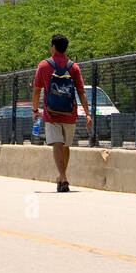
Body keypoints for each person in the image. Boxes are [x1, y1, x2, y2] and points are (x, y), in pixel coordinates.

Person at [31, 33, 91, 193]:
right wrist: (87, 113)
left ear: (53, 46)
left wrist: (35, 110)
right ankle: (62, 176)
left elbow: (37, 91)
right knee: (65, 145)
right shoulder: (74, 67)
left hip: (51, 113)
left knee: (57, 143)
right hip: (70, 113)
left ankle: (63, 177)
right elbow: (81, 92)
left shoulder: (43, 66)